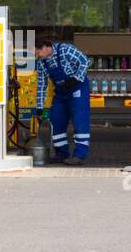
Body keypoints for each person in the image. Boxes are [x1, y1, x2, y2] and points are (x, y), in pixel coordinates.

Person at [33, 36, 91, 165]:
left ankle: (80, 155)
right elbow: (42, 85)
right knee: (56, 119)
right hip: (61, 92)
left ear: (44, 47)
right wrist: (39, 108)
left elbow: (85, 61)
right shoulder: (42, 62)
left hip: (78, 88)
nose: (37, 56)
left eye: (37, 53)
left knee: (79, 120)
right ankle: (61, 153)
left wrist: (76, 78)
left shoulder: (65, 49)